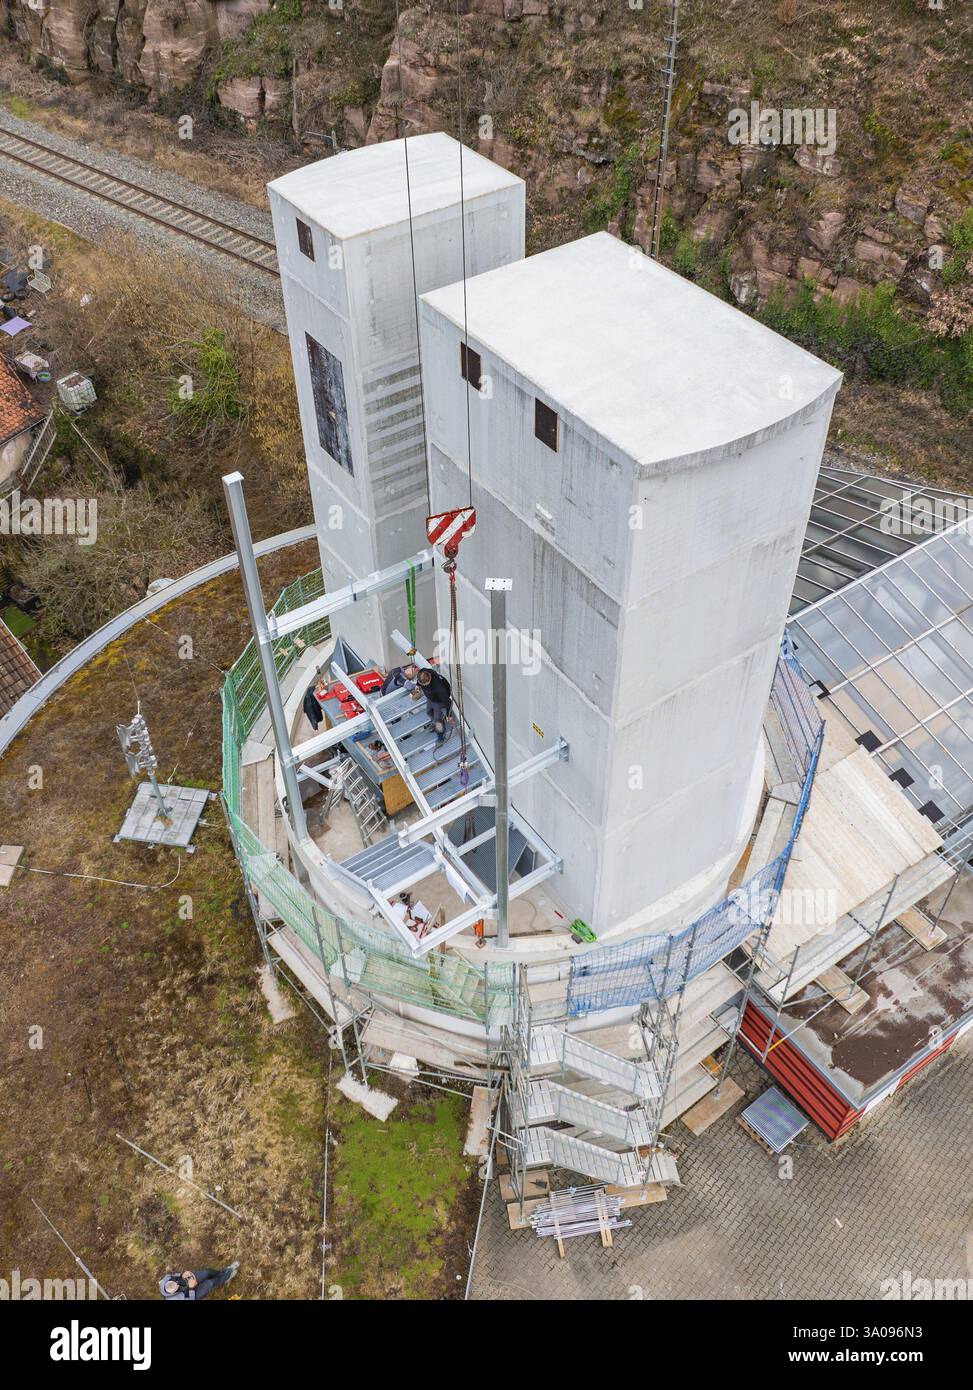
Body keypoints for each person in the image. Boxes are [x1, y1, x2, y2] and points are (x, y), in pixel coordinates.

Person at [158, 1262, 240, 1300]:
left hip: (187, 1280)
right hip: (192, 1295)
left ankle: (224, 1273)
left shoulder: (165, 1282)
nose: (177, 1284)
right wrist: (191, 1288)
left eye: (175, 1283)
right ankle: (228, 1274)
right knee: (210, 1283)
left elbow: (173, 1276)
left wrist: (182, 1274)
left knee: (207, 1272)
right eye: (176, 1287)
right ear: (173, 1292)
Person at [416, 667, 452, 744]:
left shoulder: (439, 688)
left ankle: (440, 736)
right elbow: (420, 682)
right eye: (422, 684)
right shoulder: (422, 672)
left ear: (429, 679)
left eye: (425, 684)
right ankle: (433, 723)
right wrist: (418, 685)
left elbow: (448, 701)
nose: (423, 685)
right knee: (429, 712)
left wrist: (449, 715)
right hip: (431, 698)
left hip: (439, 702)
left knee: (438, 721)